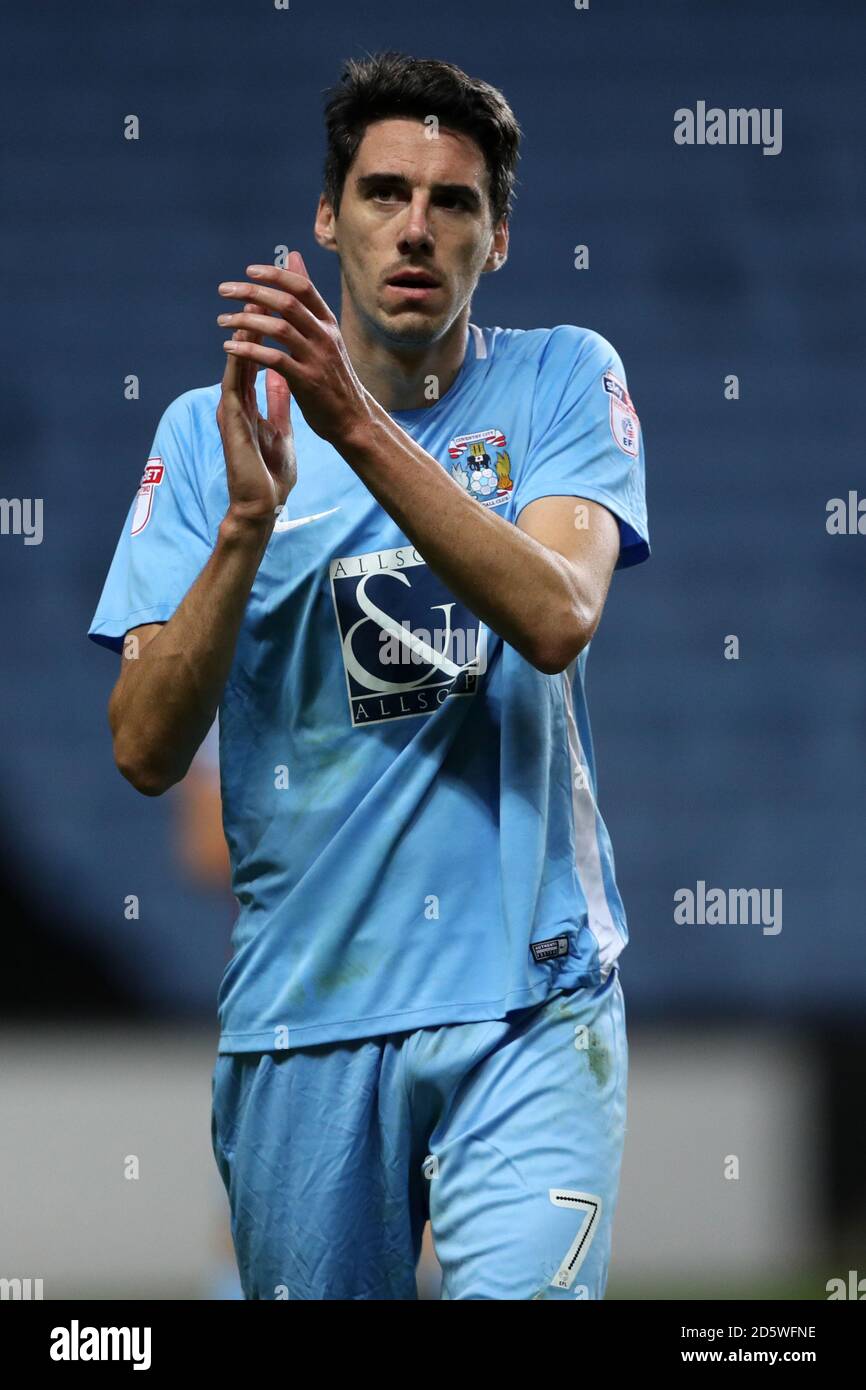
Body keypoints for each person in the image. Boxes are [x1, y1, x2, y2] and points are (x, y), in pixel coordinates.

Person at [88, 51, 650, 1300]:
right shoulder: (205, 435)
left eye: (454, 203)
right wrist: (242, 530)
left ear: (497, 237)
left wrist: (353, 423)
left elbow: (557, 614)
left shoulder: (563, 377)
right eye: (384, 191)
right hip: (306, 1016)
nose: (415, 227)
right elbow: (141, 748)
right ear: (326, 216)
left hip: (531, 999)